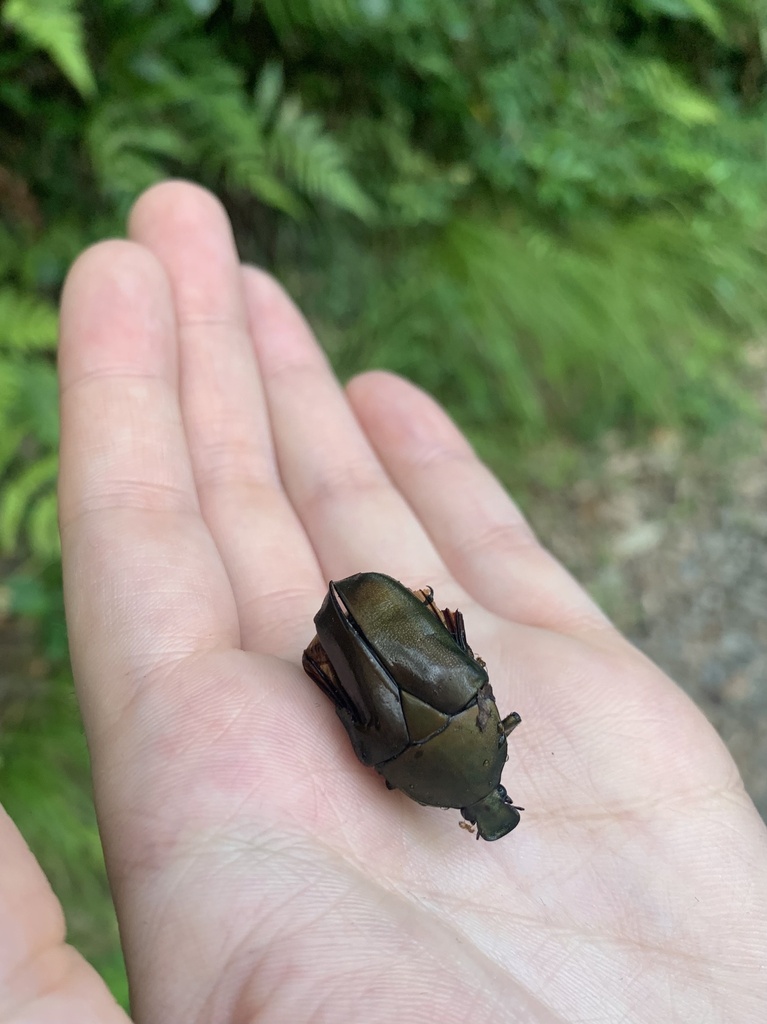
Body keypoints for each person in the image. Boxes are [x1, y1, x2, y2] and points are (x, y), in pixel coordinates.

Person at [2, 181, 765, 1024]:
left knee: (435, 682)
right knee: (384, 731)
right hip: (360, 649)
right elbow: (379, 757)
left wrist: (442, 642)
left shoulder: (479, 729)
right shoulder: (423, 785)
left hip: (384, 622)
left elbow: (463, 679)